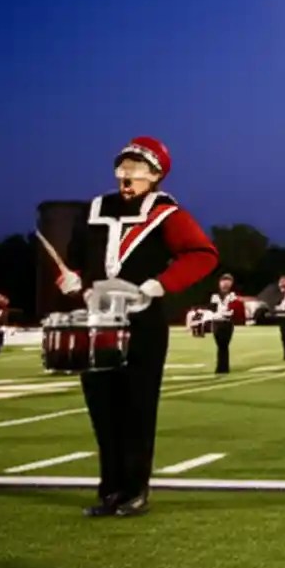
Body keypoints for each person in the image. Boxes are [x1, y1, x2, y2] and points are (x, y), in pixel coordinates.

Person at [57, 136, 218, 517]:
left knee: (137, 406)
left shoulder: (166, 213)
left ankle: (135, 489)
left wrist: (160, 284)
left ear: (156, 174)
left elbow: (202, 254)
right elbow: (75, 261)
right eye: (123, 167)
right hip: (96, 319)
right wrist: (68, 280)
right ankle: (109, 489)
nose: (127, 176)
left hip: (143, 321)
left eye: (136, 168)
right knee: (101, 406)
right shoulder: (93, 210)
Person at [209, 273, 244, 374]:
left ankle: (223, 368)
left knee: (224, 345)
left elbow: (236, 309)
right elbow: (211, 308)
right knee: (220, 345)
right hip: (217, 322)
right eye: (223, 282)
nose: (225, 285)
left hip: (227, 323)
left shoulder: (233, 296)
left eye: (227, 283)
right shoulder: (214, 296)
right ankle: (222, 367)